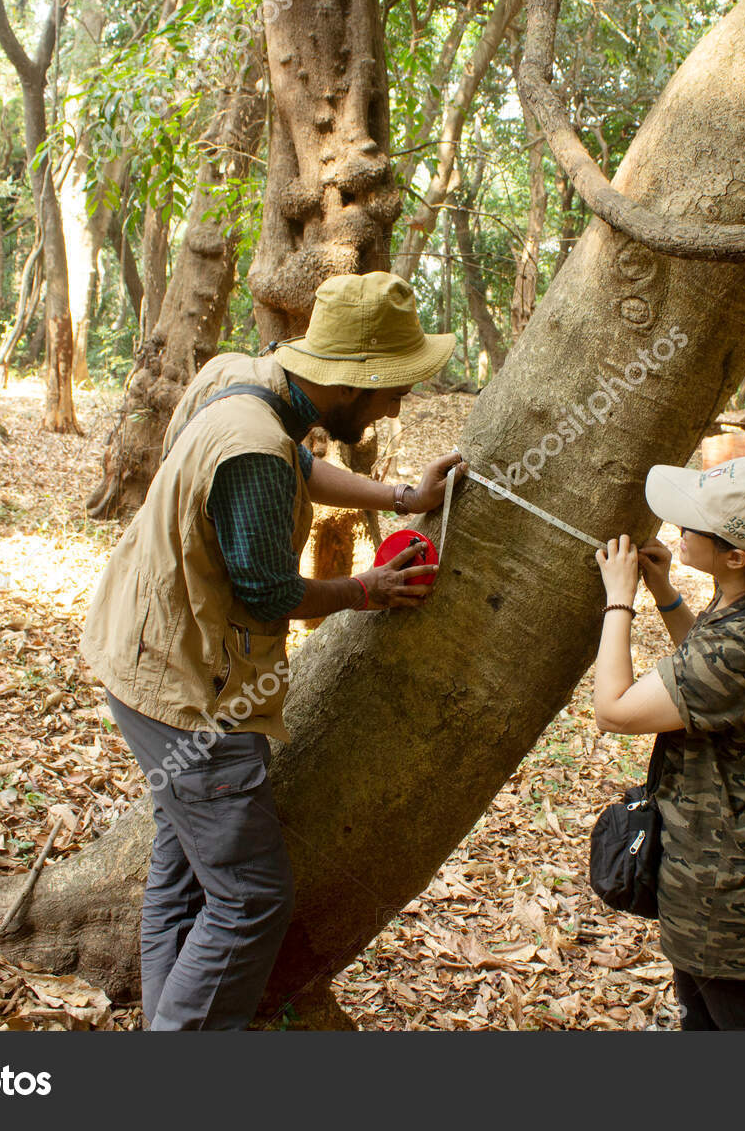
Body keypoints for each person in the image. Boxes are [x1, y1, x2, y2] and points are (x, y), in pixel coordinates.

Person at [80, 271, 465, 1030]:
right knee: (250, 894)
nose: (398, 403)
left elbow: (291, 466)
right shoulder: (254, 444)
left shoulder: (244, 379)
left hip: (140, 655)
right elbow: (269, 592)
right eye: (394, 387)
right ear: (352, 381)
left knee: (186, 870)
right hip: (192, 697)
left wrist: (400, 498)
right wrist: (369, 590)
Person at [592, 456, 745, 1031]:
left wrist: (619, 597)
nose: (677, 527)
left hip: (736, 885)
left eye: (691, 521)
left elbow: (614, 710)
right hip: (721, 865)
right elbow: (707, 672)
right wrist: (666, 592)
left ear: (736, 556)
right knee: (701, 1020)